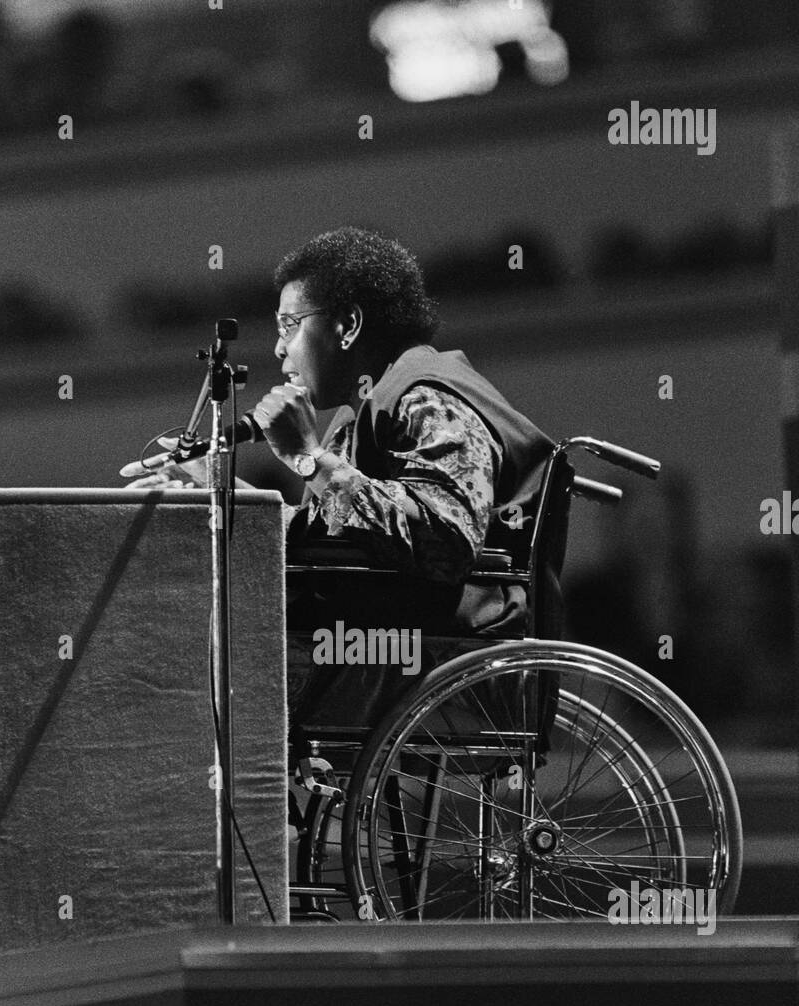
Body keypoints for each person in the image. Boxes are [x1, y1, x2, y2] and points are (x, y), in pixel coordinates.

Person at [122, 227, 557, 726]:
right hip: (381, 641)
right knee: (190, 645)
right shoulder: (360, 415)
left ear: (347, 325)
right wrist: (213, 488)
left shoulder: (428, 398)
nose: (279, 350)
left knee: (193, 671)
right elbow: (331, 537)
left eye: (289, 325)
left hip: (442, 654)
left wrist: (308, 457)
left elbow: (446, 539)